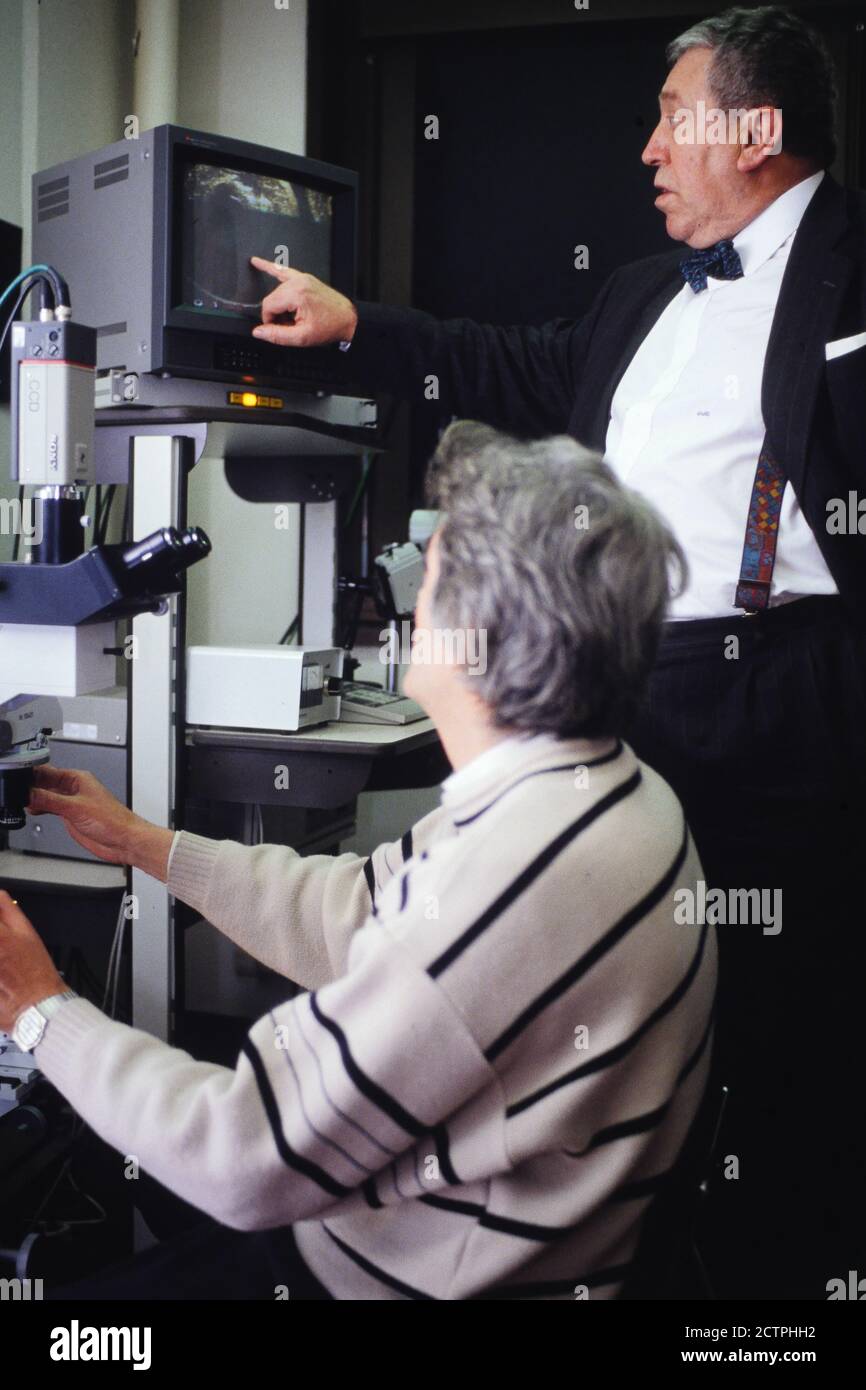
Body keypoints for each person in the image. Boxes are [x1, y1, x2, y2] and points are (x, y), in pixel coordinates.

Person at [248, 6, 866, 1299]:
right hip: (624, 700)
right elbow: (510, 365)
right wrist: (357, 321)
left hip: (791, 699)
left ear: (752, 129)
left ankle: (778, 1287)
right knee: (620, 1015)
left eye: (672, 112)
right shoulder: (643, 292)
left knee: (788, 1022)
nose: (645, 146)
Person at [0, 423, 715, 1301]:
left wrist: (37, 1009)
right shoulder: (602, 790)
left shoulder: (519, 873)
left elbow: (244, 1157)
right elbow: (370, 905)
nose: (410, 593)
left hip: (387, 1280)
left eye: (435, 571)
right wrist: (148, 846)